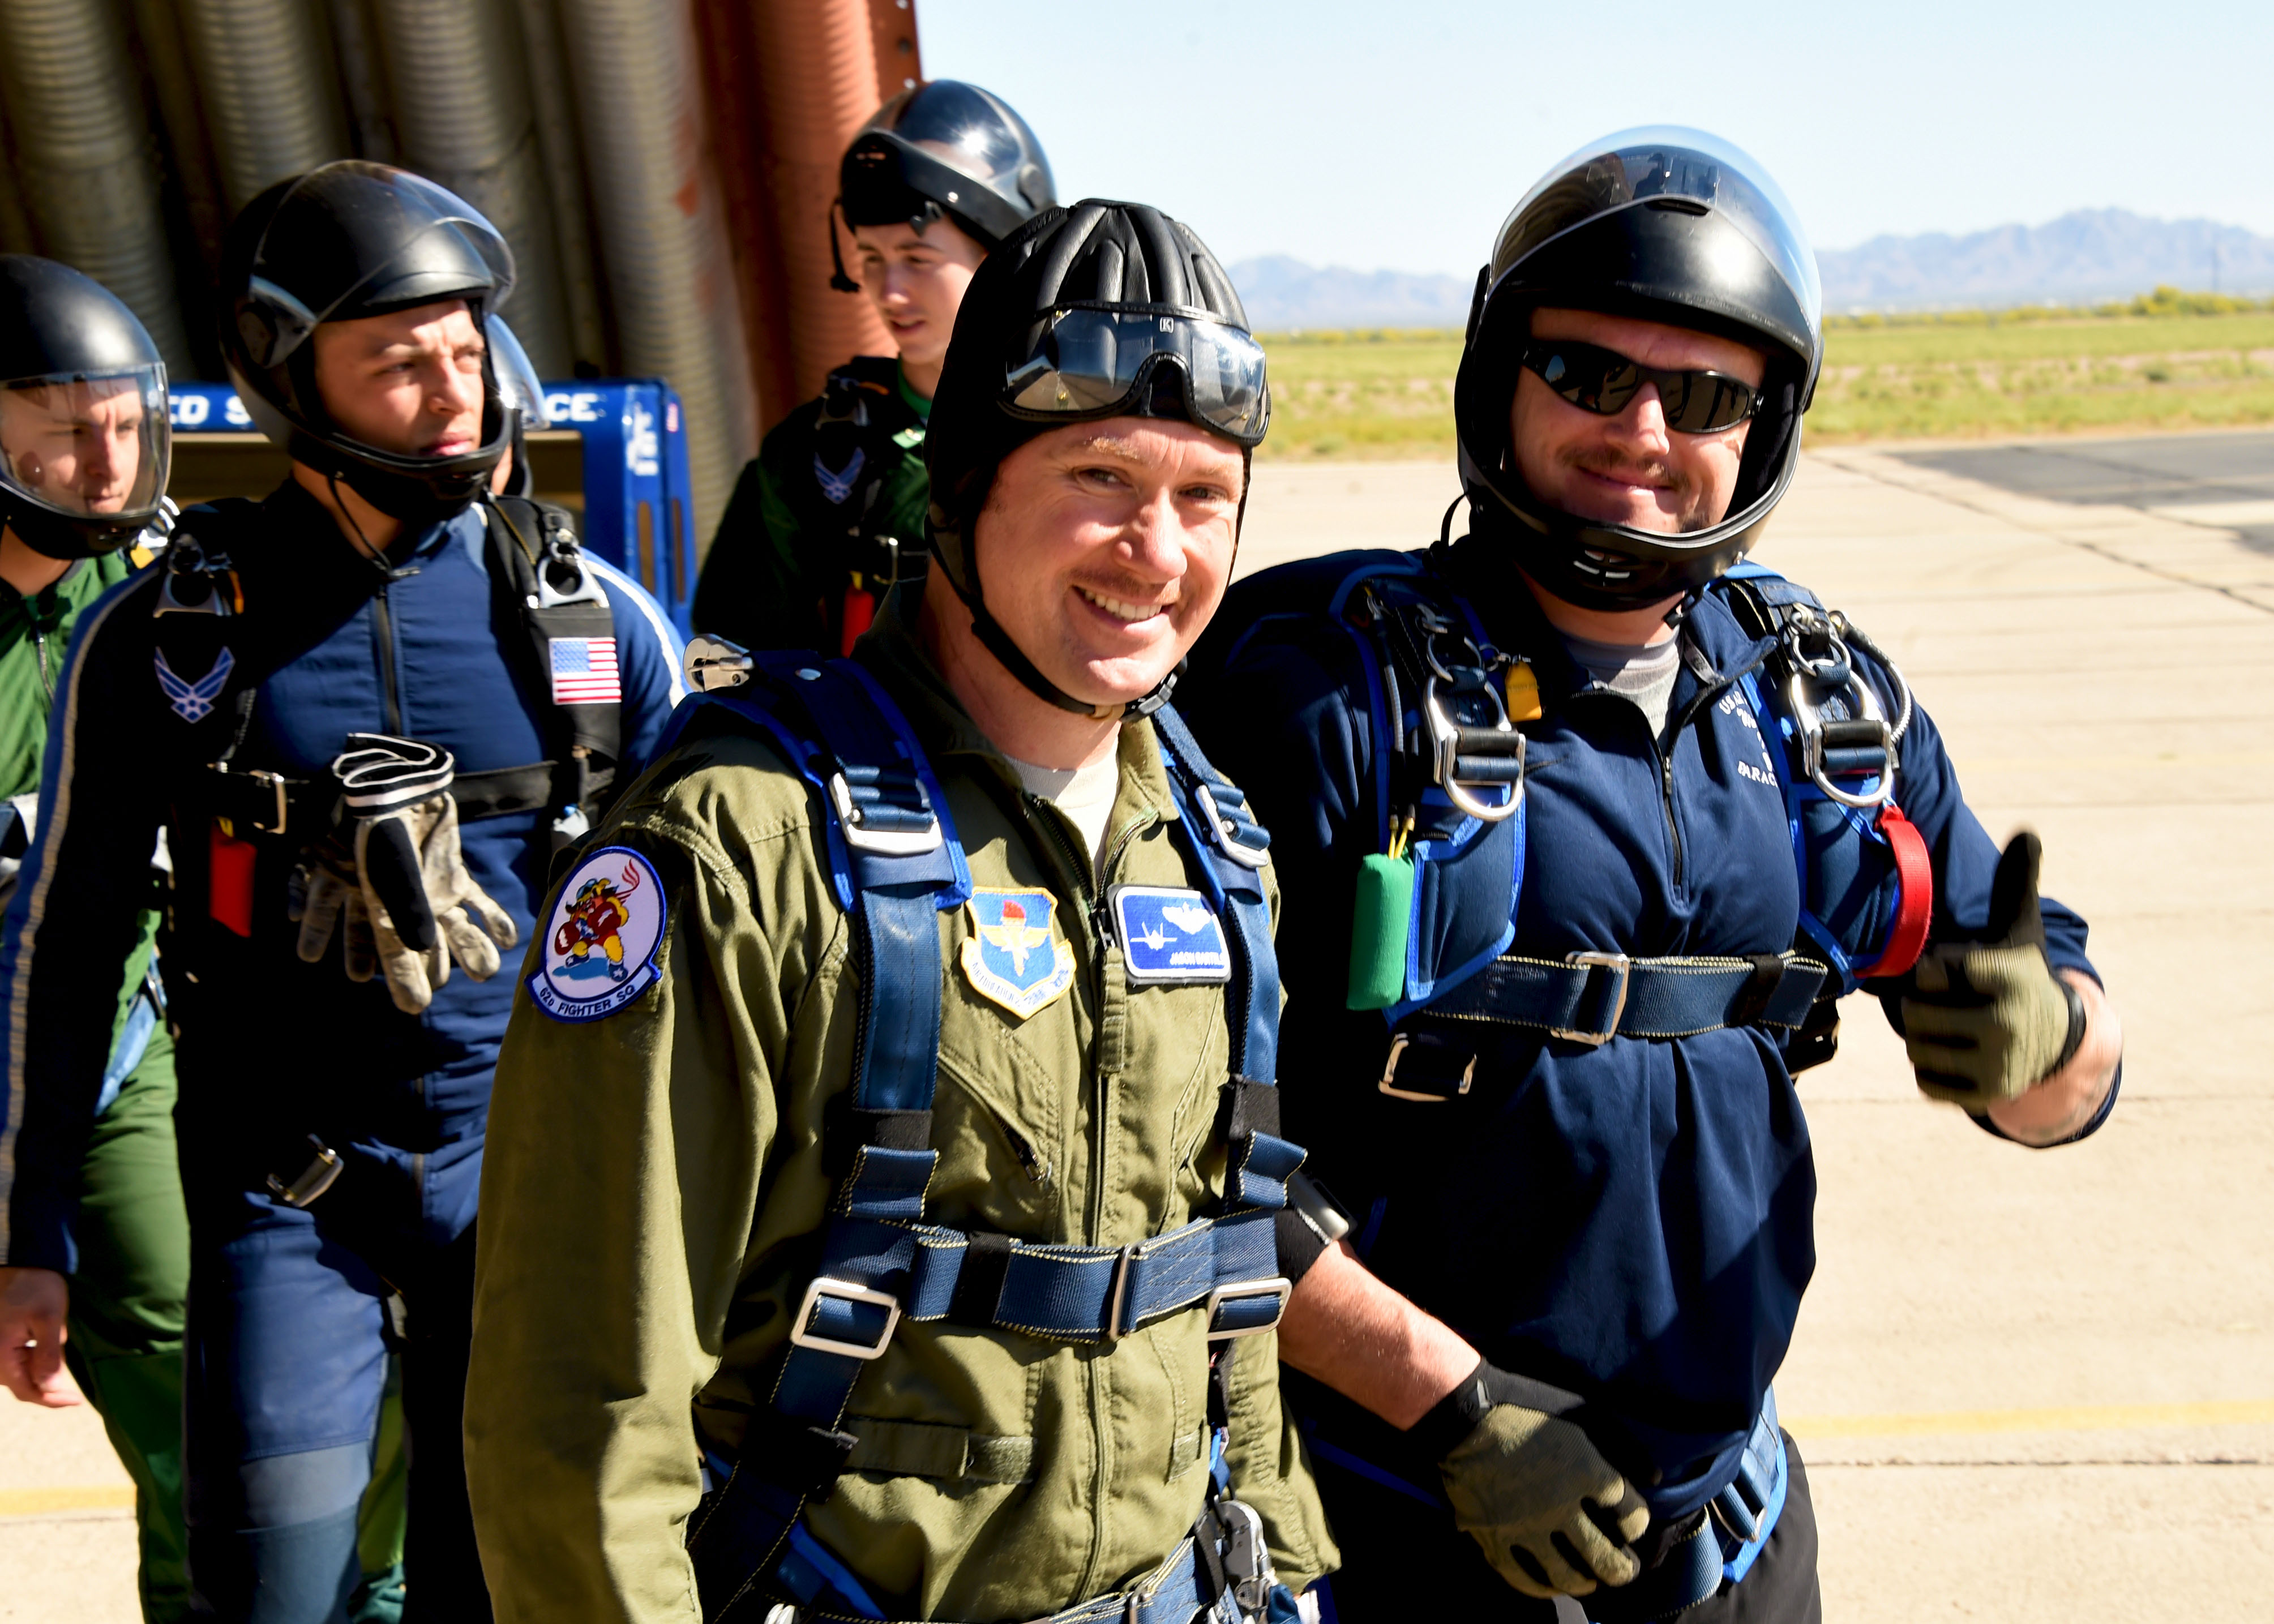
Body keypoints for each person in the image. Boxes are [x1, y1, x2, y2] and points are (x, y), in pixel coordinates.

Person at [1184, 128, 2125, 1622]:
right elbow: (1167, 1155)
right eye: (1584, 372)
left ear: (1762, 428)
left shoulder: (1817, 706)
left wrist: (2048, 1035)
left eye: (1702, 395)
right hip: (1398, 1524)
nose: (1638, 427)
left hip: (1728, 1536)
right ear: (1500, 371)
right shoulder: (1315, 691)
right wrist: (1452, 1406)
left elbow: (2055, 1083)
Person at [470, 198, 1451, 1624]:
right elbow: (580, 1408)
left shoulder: (1210, 843)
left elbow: (1225, 1277)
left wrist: (1280, 1564)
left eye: (1201, 497)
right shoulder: (740, 848)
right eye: (1100, 476)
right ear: (960, 492)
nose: (1155, 550)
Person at [0, 162, 685, 1622]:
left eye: (463, 349)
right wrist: (31, 1220)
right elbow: (66, 933)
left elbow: (721, 945)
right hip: (280, 1201)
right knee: (271, 1590)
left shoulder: (594, 619)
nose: (452, 391)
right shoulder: (168, 631)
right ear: (290, 378)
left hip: (532, 1196)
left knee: (500, 1587)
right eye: (397, 361)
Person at [0, 254, 189, 1621]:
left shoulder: (160, 606)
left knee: (195, 1380)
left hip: (107, 1047)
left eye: (121, 422)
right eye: (65, 425)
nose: (102, 461)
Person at [690, 79, 1055, 656]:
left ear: (1004, 261)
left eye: (917, 259)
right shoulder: (811, 459)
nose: (890, 291)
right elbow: (738, 663)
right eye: (871, 259)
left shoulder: (1075, 437)